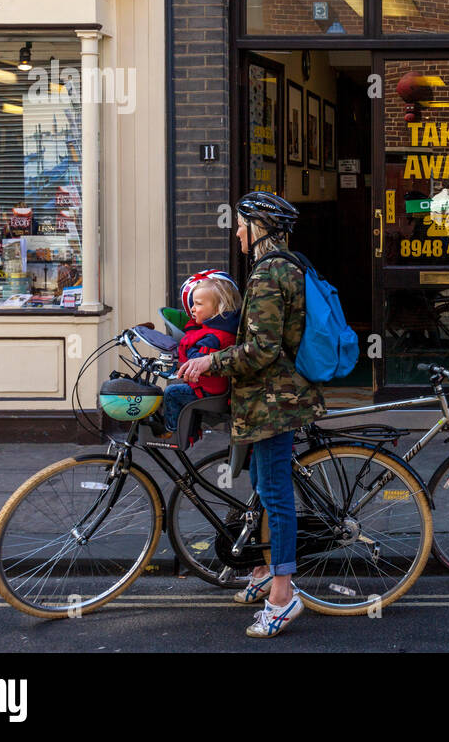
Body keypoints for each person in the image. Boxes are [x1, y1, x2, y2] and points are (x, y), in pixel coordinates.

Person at [179, 192, 324, 638]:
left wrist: (210, 363)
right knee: (262, 485)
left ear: (259, 227)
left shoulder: (269, 273)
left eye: (243, 225)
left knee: (276, 495)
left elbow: (262, 350)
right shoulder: (287, 266)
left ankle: (284, 596)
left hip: (273, 402)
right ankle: (263, 573)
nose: (237, 232)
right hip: (265, 401)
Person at [161, 273, 241, 445]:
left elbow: (198, 362)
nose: (192, 309)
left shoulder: (214, 337)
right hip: (212, 389)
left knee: (171, 392)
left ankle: (175, 433)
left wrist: (184, 357)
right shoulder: (220, 329)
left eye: (198, 304)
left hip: (210, 393)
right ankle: (190, 431)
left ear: (218, 308)